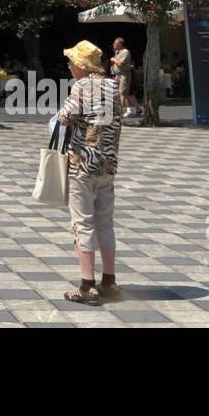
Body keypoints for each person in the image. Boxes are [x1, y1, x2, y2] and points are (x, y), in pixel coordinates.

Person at [57, 40, 124, 306]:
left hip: (83, 164)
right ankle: (109, 281)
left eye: (72, 61)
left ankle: (87, 286)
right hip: (108, 165)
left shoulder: (82, 86)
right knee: (105, 222)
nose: (69, 65)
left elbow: (65, 117)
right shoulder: (112, 85)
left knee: (83, 223)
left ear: (82, 66)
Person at [110, 38, 138, 117]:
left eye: (115, 43)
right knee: (119, 93)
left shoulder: (125, 52)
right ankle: (136, 109)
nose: (113, 45)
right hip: (118, 74)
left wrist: (114, 59)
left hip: (124, 75)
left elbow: (120, 64)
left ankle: (119, 112)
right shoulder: (117, 52)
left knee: (122, 93)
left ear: (120, 44)